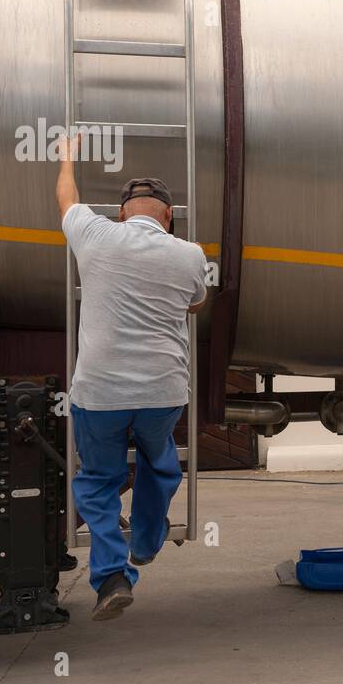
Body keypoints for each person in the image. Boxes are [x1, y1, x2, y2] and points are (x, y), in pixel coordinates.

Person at [56, 137, 208, 620]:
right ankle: (146, 539)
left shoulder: (94, 235)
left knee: (99, 480)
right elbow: (196, 301)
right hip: (162, 390)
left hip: (99, 392)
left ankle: (112, 578)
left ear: (123, 214)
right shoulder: (189, 254)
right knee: (160, 464)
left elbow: (66, 197)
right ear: (168, 217)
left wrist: (66, 157)